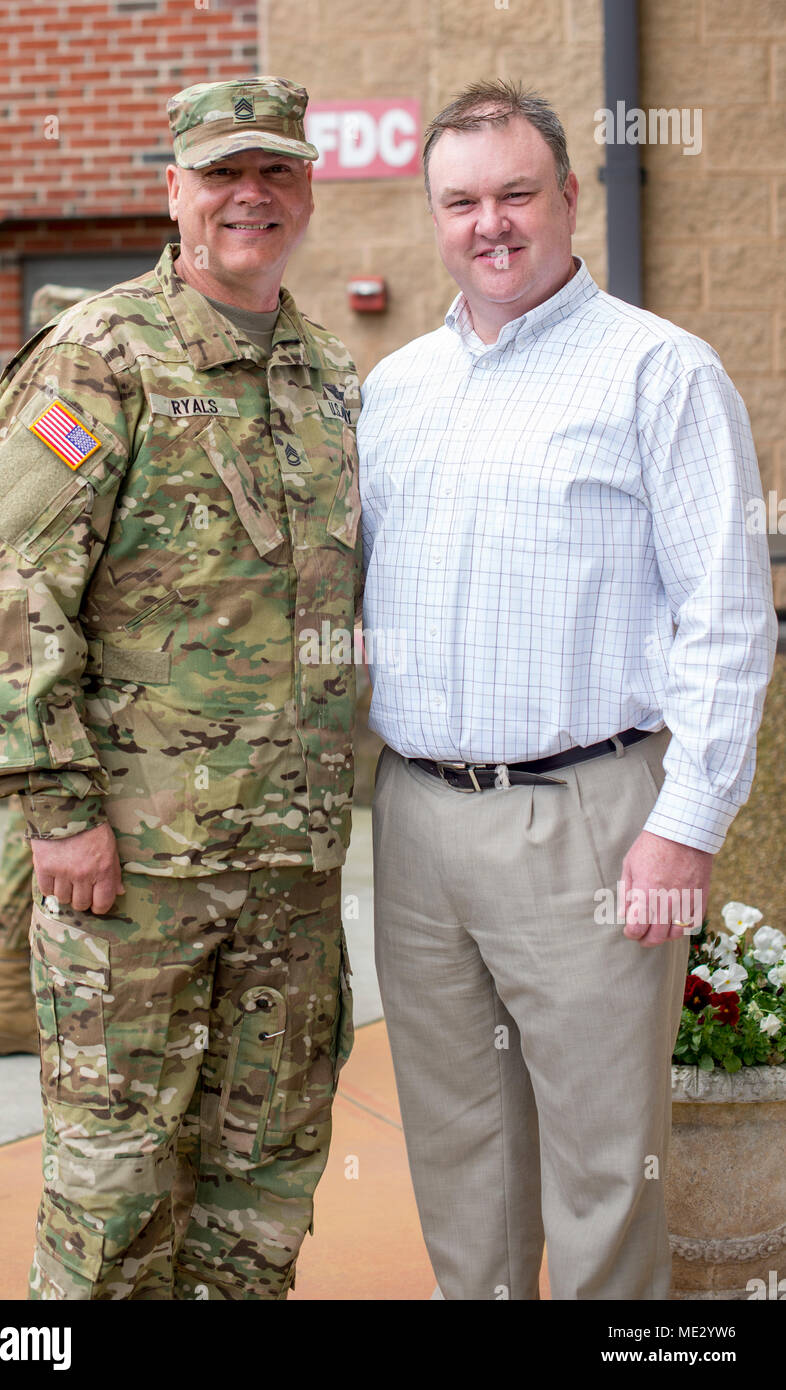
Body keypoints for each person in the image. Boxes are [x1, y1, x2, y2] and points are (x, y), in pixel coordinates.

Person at [358, 79, 777, 1301]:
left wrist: (684, 825)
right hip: (418, 818)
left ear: (567, 197)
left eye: (513, 193)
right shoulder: (394, 391)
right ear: (433, 215)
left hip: (588, 821)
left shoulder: (658, 372)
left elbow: (724, 618)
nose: (488, 223)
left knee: (603, 1164)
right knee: (456, 1150)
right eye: (460, 200)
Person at [0, 75, 361, 1300]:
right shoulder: (98, 356)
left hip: (290, 875)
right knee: (114, 1189)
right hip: (135, 874)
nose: (250, 194)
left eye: (274, 170)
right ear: (173, 189)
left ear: (305, 191)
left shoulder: (328, 373)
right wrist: (58, 807)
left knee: (263, 1186)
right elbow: (6, 587)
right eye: (223, 172)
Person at [0, 288, 94, 1059]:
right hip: (58, 667)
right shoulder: (69, 397)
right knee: (40, 817)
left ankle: (9, 989)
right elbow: (7, 550)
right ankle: (10, 985)